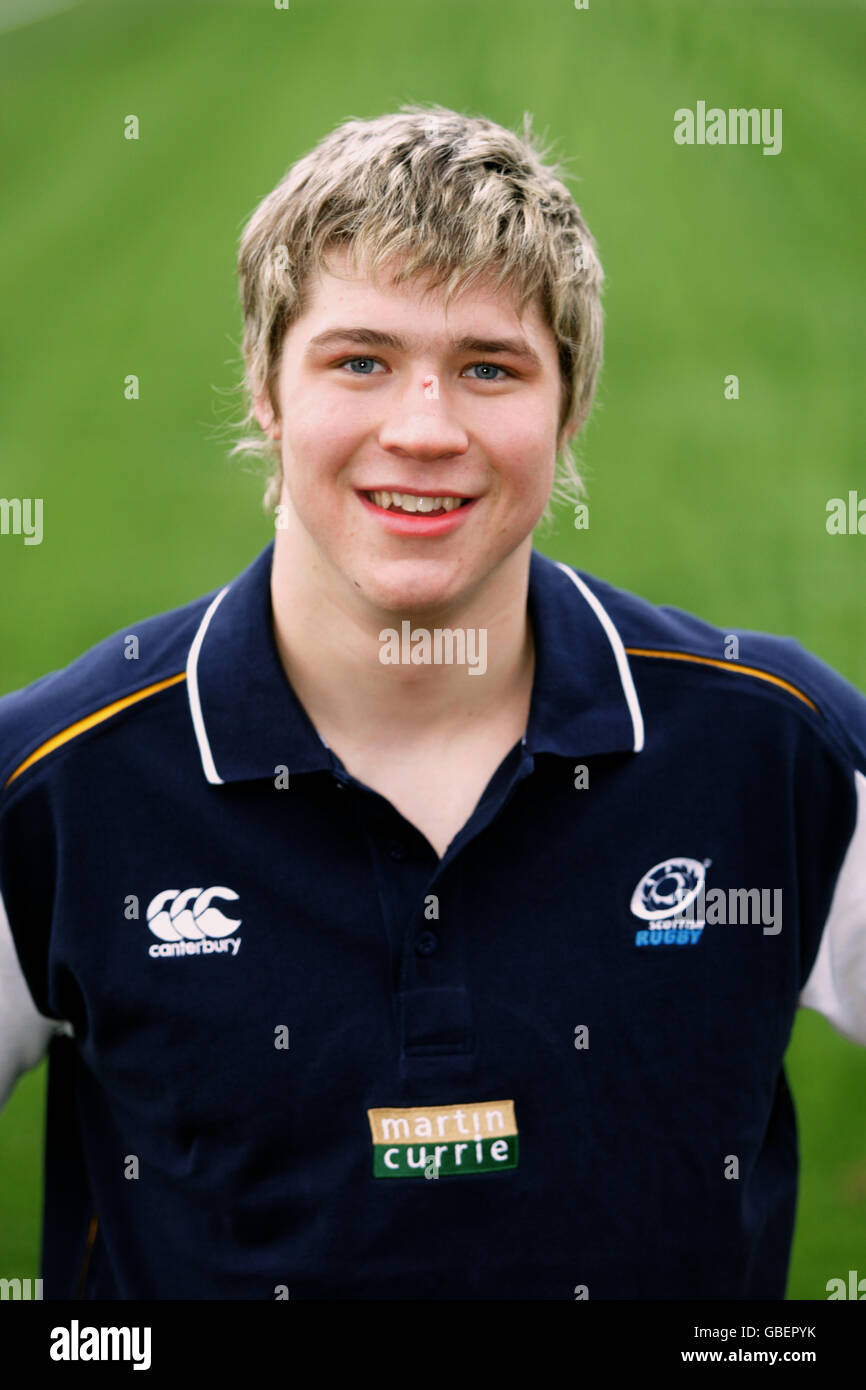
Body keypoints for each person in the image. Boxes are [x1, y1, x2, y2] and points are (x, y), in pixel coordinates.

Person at [1, 105, 863, 1301]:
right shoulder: (56, 781)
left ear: (567, 408)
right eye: (359, 360)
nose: (423, 430)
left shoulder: (775, 745)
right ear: (265, 387)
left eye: (487, 367)